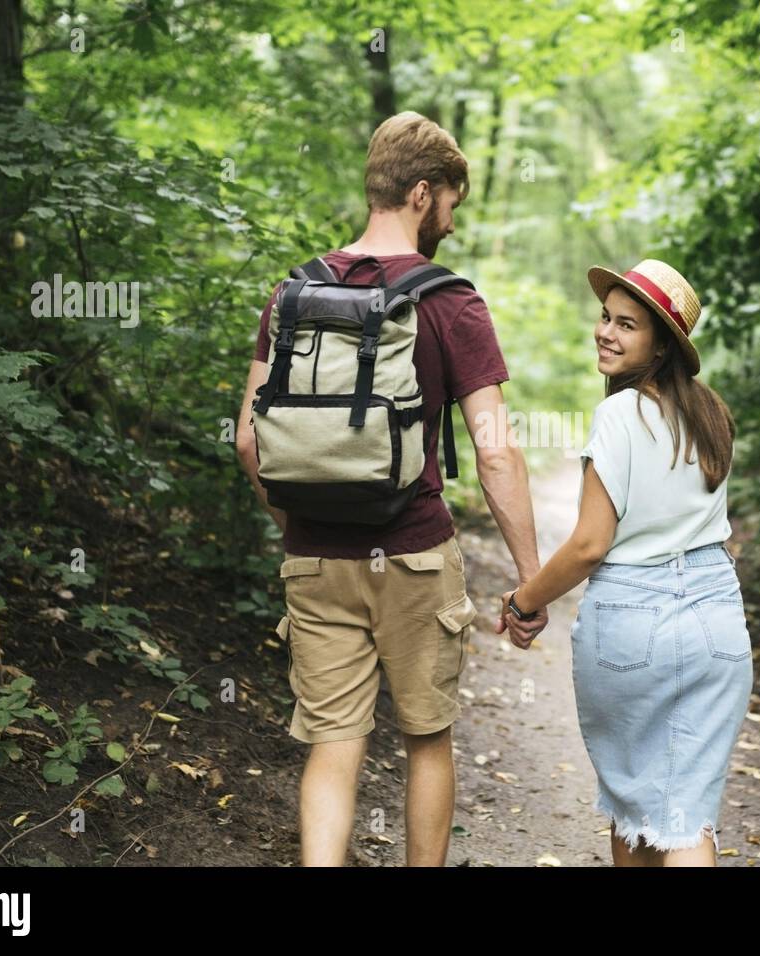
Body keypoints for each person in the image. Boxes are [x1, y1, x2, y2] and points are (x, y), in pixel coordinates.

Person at [236, 111, 545, 866]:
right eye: (449, 205)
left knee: (333, 743)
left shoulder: (293, 294)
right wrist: (532, 581)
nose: (451, 223)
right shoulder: (448, 298)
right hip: (413, 556)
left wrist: (292, 523)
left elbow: (249, 438)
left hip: (316, 560)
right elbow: (496, 453)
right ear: (420, 192)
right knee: (427, 740)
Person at [495, 259, 752, 867]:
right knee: (686, 812)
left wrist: (525, 601)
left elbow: (589, 544)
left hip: (635, 627)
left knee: (634, 802)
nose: (605, 332)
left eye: (627, 325)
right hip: (718, 624)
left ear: (661, 345)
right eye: (605, 317)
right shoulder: (712, 415)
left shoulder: (619, 414)